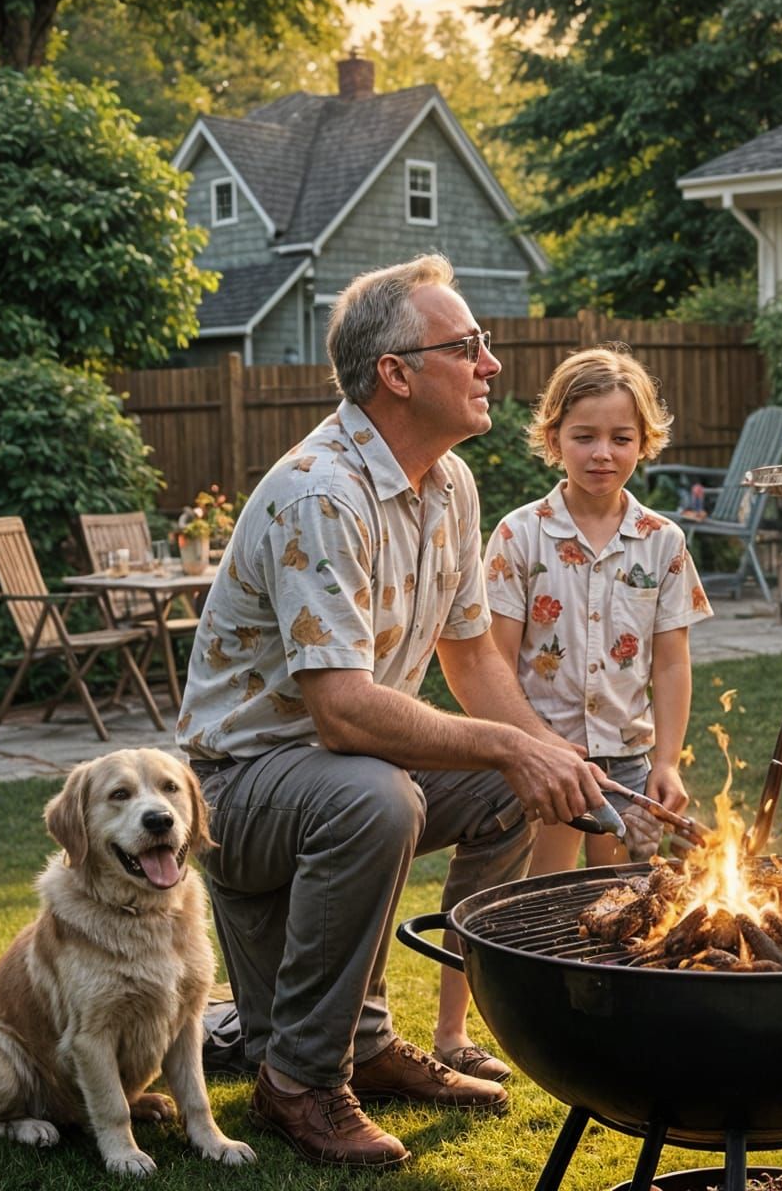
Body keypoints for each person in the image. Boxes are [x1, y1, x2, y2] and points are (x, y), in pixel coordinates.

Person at [175, 255, 610, 1169]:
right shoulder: (320, 493)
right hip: (240, 792)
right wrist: (507, 746)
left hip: (345, 774)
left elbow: (473, 658)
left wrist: (554, 759)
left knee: (503, 792)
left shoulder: (449, 485)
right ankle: (299, 1079)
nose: (492, 363)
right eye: (469, 347)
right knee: (379, 797)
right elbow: (341, 713)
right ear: (398, 374)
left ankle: (370, 1043)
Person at [482, 346, 709, 877]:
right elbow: (495, 661)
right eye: (584, 437)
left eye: (621, 438)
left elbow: (672, 662)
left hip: (629, 764)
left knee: (624, 907)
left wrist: (668, 763)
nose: (602, 453)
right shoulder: (519, 536)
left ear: (644, 442)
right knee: (543, 901)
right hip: (542, 762)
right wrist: (535, 750)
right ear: (554, 437)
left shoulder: (663, 541)